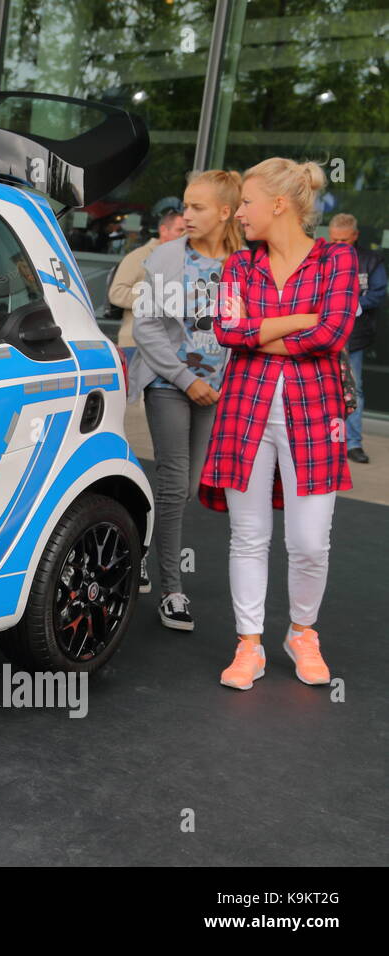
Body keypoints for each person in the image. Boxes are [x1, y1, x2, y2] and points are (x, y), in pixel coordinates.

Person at [203, 158, 358, 691]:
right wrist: (298, 320)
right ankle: (249, 644)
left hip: (316, 415)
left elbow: (334, 333)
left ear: (279, 204)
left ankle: (302, 633)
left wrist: (260, 332)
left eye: (246, 202)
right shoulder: (238, 268)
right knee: (248, 536)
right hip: (244, 411)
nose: (238, 213)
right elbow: (227, 329)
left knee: (311, 540)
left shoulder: (337, 257)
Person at [127, 170, 243, 631]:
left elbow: (245, 332)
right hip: (167, 383)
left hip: (216, 389)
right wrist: (182, 377)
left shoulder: (245, 264)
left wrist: (225, 381)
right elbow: (146, 327)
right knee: (175, 485)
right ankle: (171, 589)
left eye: (197, 208)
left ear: (226, 212)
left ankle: (134, 547)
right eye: (184, 207)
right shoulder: (166, 257)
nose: (185, 215)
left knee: (189, 487)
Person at [327, 212, 386, 463]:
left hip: (355, 336)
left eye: (345, 241)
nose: (339, 246)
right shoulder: (322, 257)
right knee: (325, 390)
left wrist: (349, 305)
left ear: (355, 236)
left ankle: (352, 444)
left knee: (354, 391)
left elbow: (379, 293)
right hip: (325, 333)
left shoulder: (371, 260)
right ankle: (330, 442)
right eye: (335, 240)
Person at [109, 208, 186, 361]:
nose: (184, 235)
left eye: (187, 230)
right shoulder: (140, 256)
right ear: (163, 230)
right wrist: (155, 299)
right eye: (180, 230)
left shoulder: (186, 258)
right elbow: (116, 293)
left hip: (169, 346)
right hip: (135, 344)